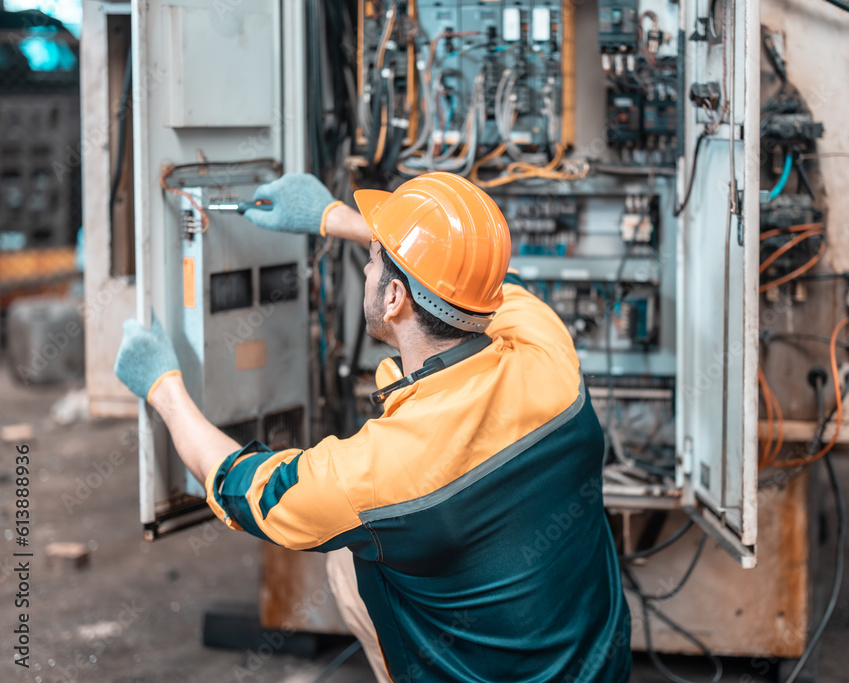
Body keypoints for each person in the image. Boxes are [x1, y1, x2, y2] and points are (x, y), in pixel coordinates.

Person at [114, 171, 632, 682]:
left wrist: (163, 386)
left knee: (346, 558)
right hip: (602, 669)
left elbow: (241, 485)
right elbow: (488, 278)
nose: (367, 265)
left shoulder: (373, 475)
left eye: (374, 258)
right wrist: (335, 218)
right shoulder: (547, 354)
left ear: (394, 297)